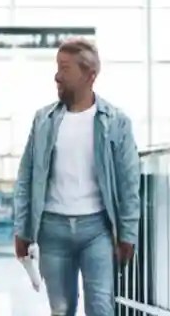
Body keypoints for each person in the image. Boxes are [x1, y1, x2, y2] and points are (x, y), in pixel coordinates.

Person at [12, 37, 141, 316]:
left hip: (97, 230)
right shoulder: (43, 120)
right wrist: (22, 228)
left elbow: (129, 182)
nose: (57, 75)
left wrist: (128, 233)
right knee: (61, 310)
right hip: (52, 229)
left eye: (65, 68)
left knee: (101, 308)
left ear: (89, 75)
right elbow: (26, 176)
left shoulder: (116, 121)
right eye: (58, 67)